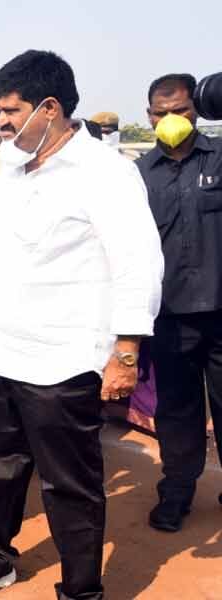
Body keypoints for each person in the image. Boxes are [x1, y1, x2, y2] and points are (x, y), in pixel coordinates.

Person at [0, 50, 163, 600]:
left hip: (62, 358)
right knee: (4, 464)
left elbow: (137, 262)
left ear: (49, 108)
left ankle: (82, 587)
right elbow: (2, 240)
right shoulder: (15, 166)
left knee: (70, 483)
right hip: (1, 349)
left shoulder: (104, 173)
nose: (0, 122)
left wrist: (127, 350)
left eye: (9, 111)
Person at [136, 73, 222, 532]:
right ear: (149, 116)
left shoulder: (220, 157)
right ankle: (177, 491)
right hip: (169, 316)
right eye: (161, 112)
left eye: (181, 111)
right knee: (176, 409)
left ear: (198, 111)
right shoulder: (139, 175)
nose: (171, 120)